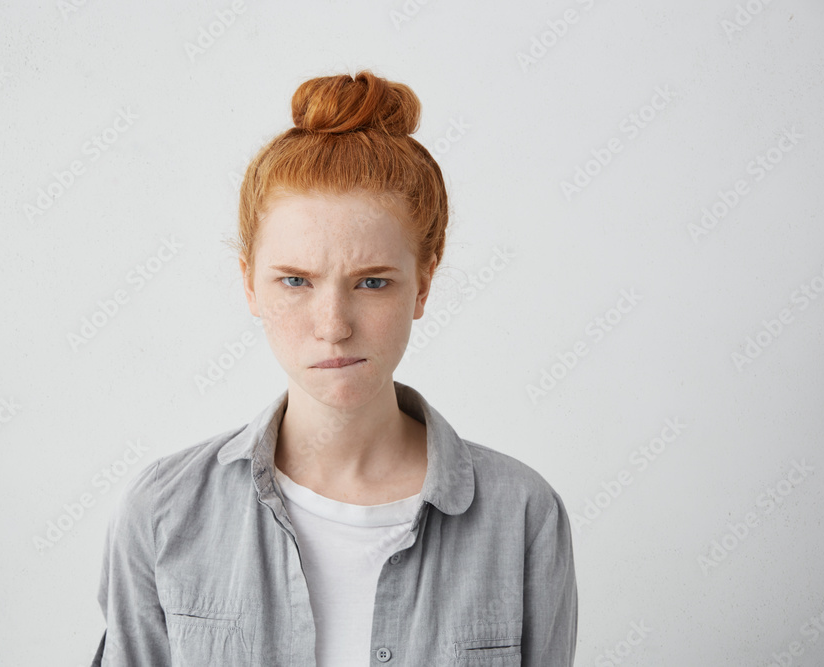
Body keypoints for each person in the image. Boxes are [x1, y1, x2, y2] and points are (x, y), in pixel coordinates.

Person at [91, 69, 577, 666]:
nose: (333, 325)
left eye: (372, 282)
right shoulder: (163, 511)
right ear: (249, 284)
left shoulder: (523, 514)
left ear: (424, 283)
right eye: (295, 281)